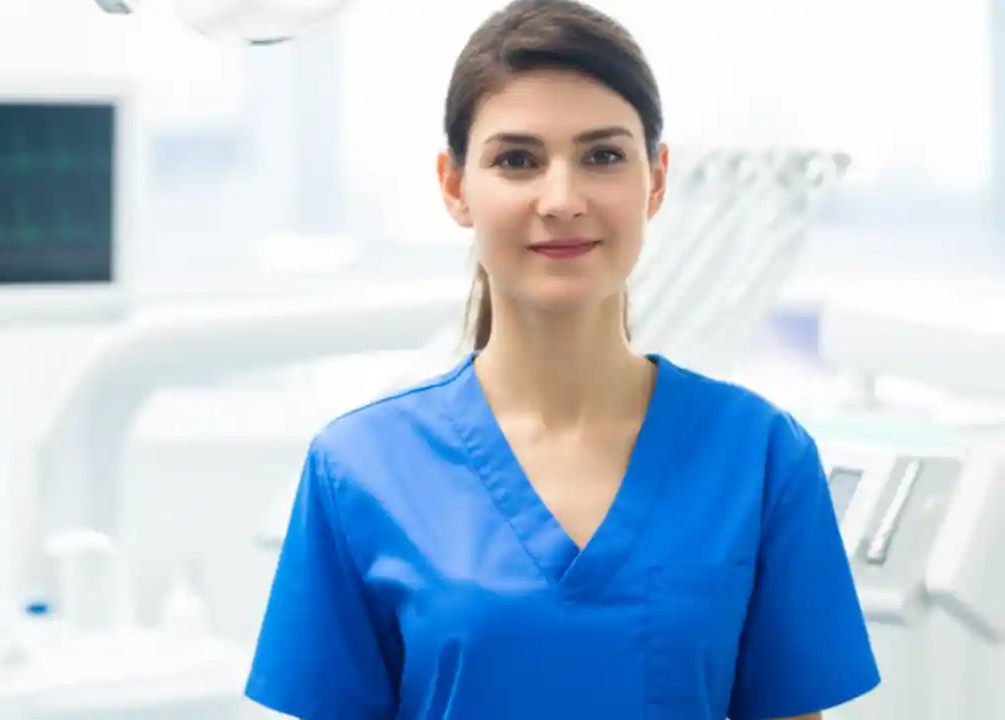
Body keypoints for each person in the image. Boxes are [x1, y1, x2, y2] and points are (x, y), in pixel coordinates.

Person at [244, 1, 881, 718]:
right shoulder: (360, 467)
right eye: (517, 160)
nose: (562, 198)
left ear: (658, 179)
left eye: (603, 156)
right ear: (455, 187)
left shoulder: (760, 458)